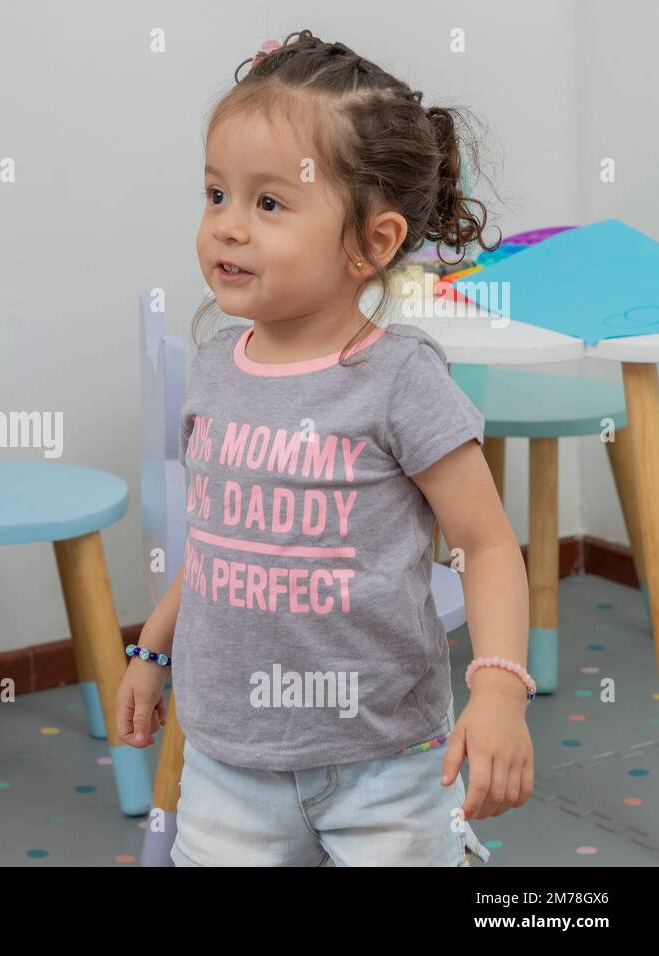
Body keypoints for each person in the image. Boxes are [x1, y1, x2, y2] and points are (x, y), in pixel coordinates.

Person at [118, 29, 534, 866]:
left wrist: (498, 689)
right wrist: (153, 647)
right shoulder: (214, 370)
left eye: (268, 203)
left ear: (371, 243)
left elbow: (486, 545)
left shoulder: (399, 380)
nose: (228, 228)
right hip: (228, 767)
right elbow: (220, 539)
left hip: (388, 770)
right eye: (215, 195)